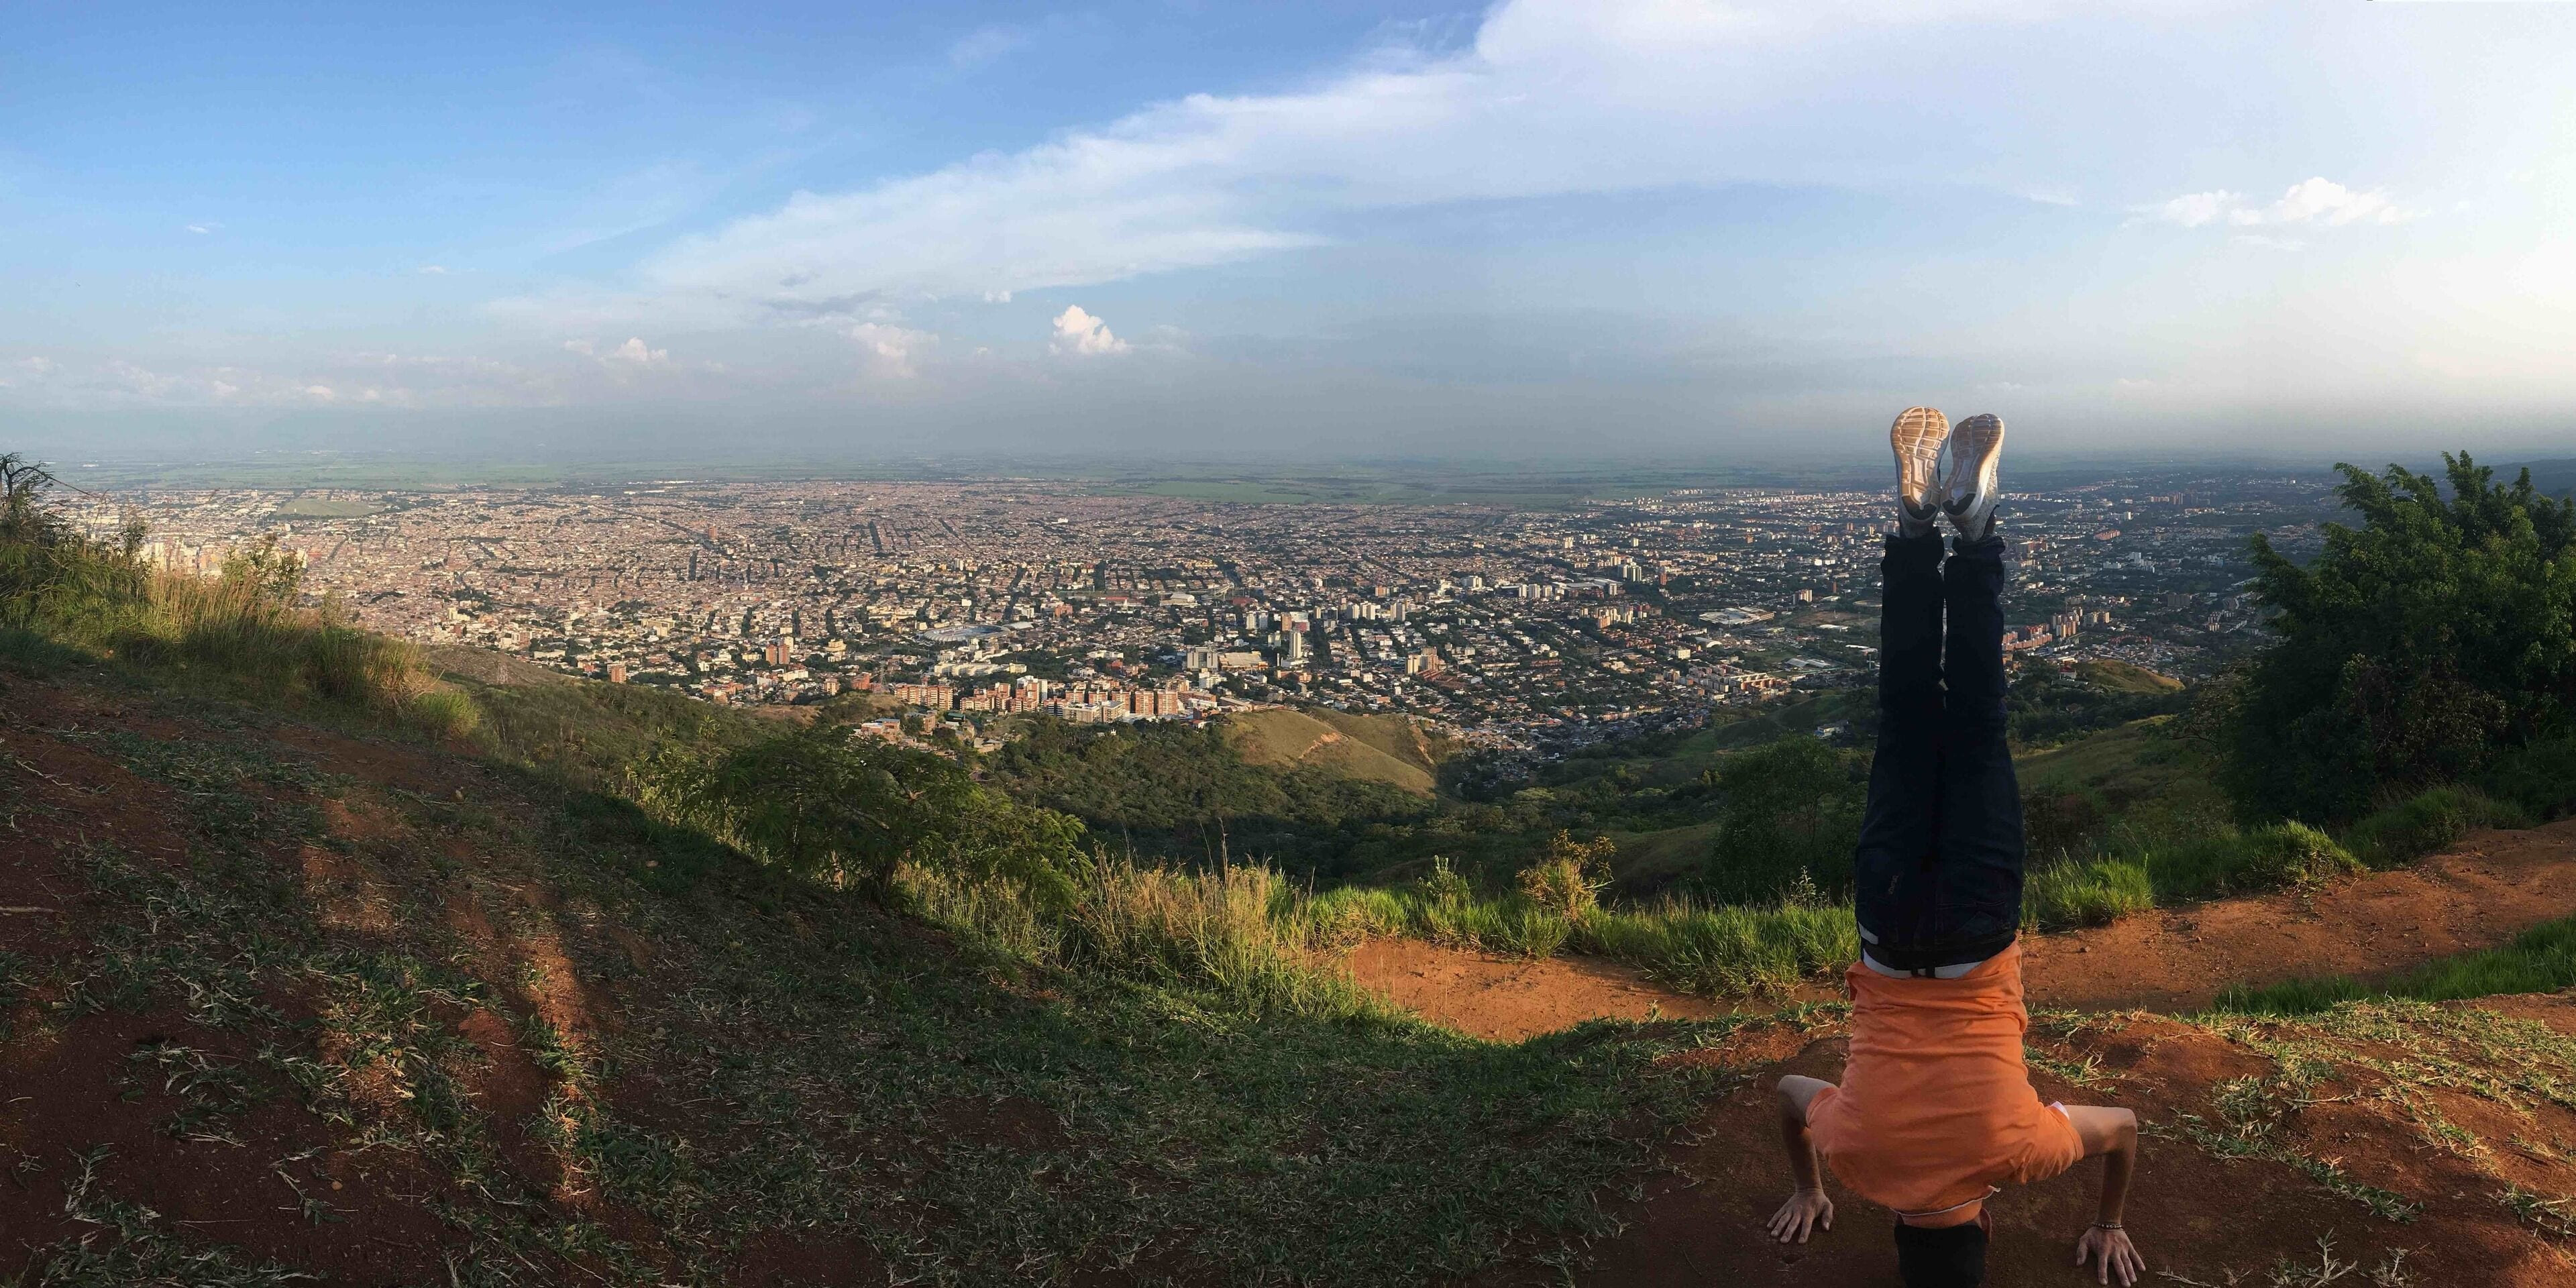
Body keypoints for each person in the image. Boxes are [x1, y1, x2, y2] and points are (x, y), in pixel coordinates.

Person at [1761, 409, 2145, 1288]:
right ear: (1901, 1236)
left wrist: (2110, 1222)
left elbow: (2123, 1127)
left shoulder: (2021, 1152)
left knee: (1976, 718)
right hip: (1889, 922)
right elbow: (1788, 1094)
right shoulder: (1855, 1155)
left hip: (1978, 925)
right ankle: (1911, 530)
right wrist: (1812, 1185)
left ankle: (1973, 532)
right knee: (1906, 714)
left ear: (1986, 1229)